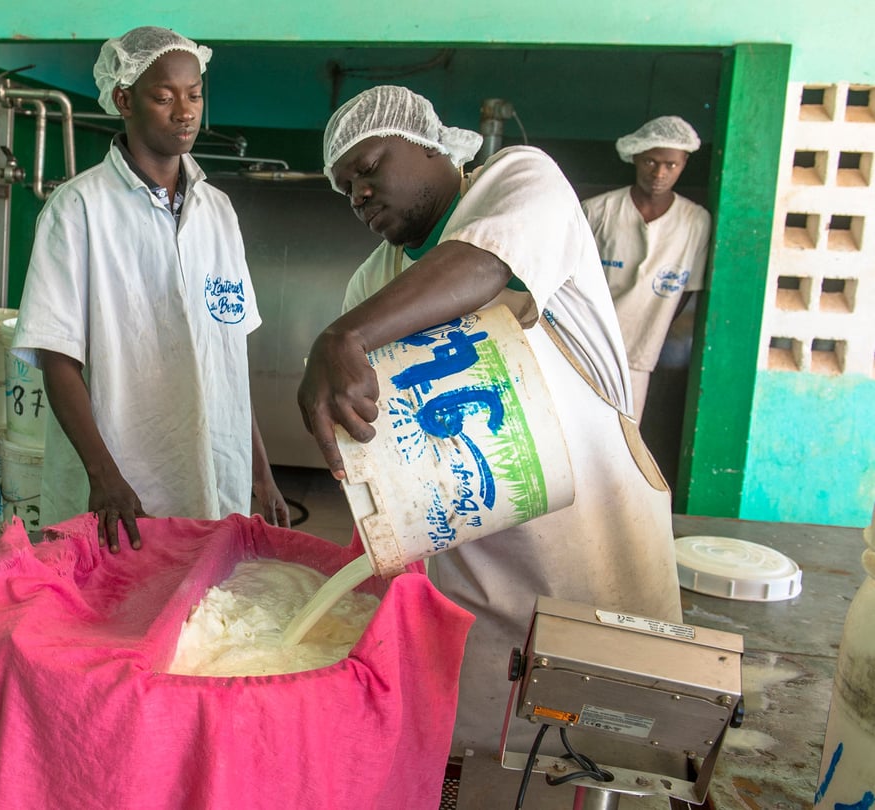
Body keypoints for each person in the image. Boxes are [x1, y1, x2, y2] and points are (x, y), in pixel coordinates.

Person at [298, 85, 683, 765]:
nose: (358, 194)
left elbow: (482, 264)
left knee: (612, 743)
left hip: (590, 529)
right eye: (344, 187)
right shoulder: (370, 283)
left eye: (369, 167)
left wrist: (341, 337)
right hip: (475, 549)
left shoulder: (519, 182)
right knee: (489, 755)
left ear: (431, 146)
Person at [13, 26, 289, 553]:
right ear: (124, 100)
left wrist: (260, 473)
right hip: (120, 488)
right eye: (164, 97)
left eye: (195, 95)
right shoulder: (78, 210)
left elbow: (229, 358)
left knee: (205, 598)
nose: (185, 112)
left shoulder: (218, 212)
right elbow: (57, 357)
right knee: (114, 598)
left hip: (214, 473)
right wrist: (104, 475)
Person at [581, 115, 712, 424]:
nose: (659, 173)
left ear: (684, 163)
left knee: (625, 430)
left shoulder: (695, 221)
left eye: (671, 165)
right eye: (650, 162)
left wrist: (652, 328)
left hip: (640, 353)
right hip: (585, 345)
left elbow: (686, 291)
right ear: (635, 157)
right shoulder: (598, 211)